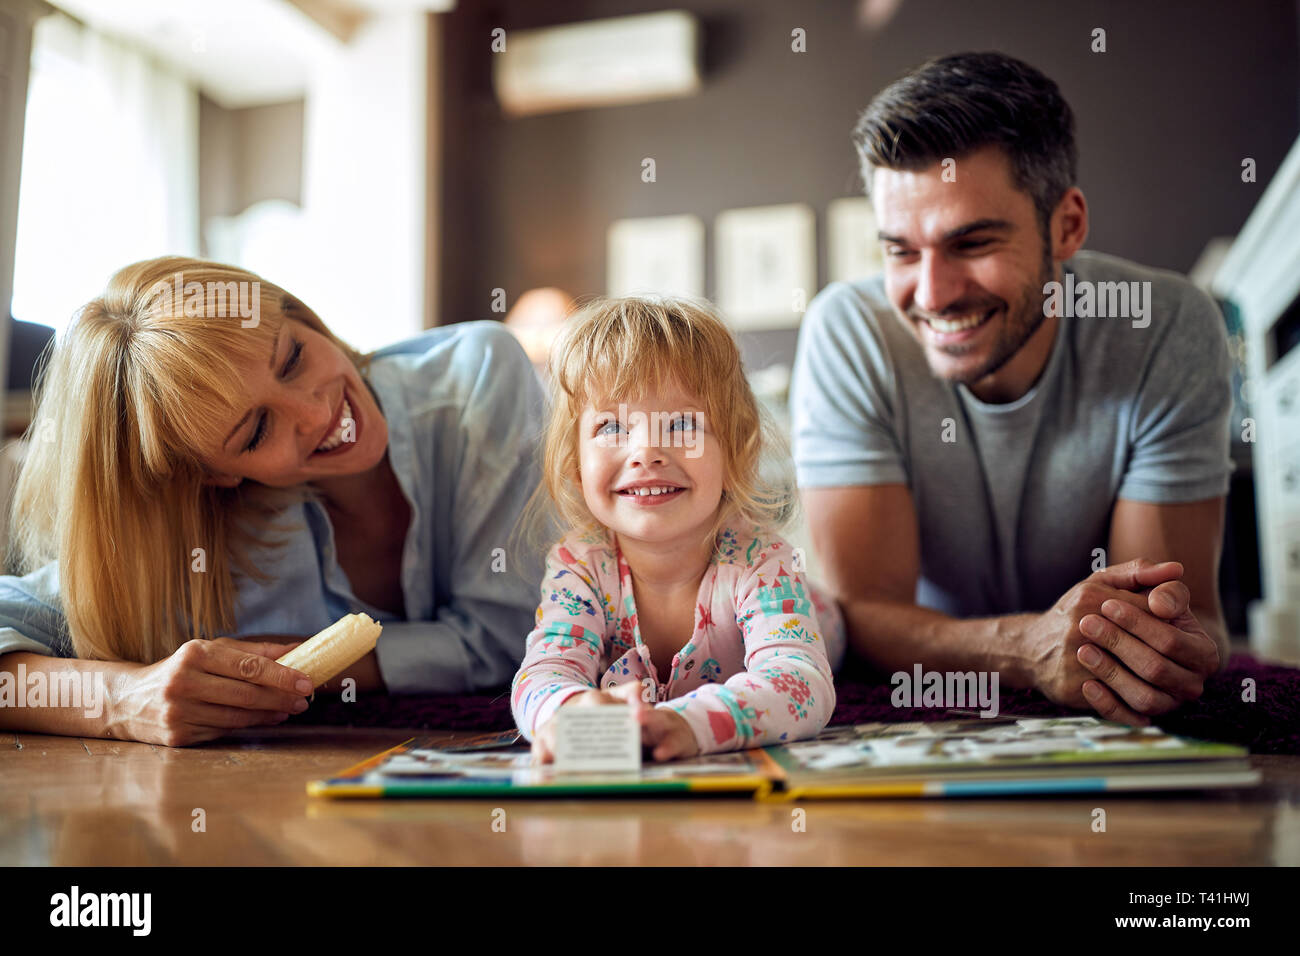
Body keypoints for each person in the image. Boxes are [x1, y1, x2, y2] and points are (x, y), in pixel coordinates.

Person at [790, 52, 1233, 727]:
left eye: (971, 243)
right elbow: (867, 613)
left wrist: (1163, 646)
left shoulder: (1167, 325)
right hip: (933, 695)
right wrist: (1026, 648)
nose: (931, 294)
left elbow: (1166, 612)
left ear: (1067, 227)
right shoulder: (848, 331)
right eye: (901, 251)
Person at [0, 256, 552, 746]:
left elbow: (509, 639)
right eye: (257, 431)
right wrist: (124, 699)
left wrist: (284, 664)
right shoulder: (195, 542)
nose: (317, 413)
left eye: (292, 358)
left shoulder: (478, 377)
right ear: (212, 477)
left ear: (300, 316)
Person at [511, 296, 844, 763]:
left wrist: (689, 722)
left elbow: (800, 682)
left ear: (735, 453)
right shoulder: (579, 566)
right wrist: (570, 709)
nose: (646, 451)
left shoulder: (764, 562)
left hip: (820, 616)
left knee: (839, 621)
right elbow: (543, 672)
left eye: (683, 424)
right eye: (612, 427)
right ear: (574, 464)